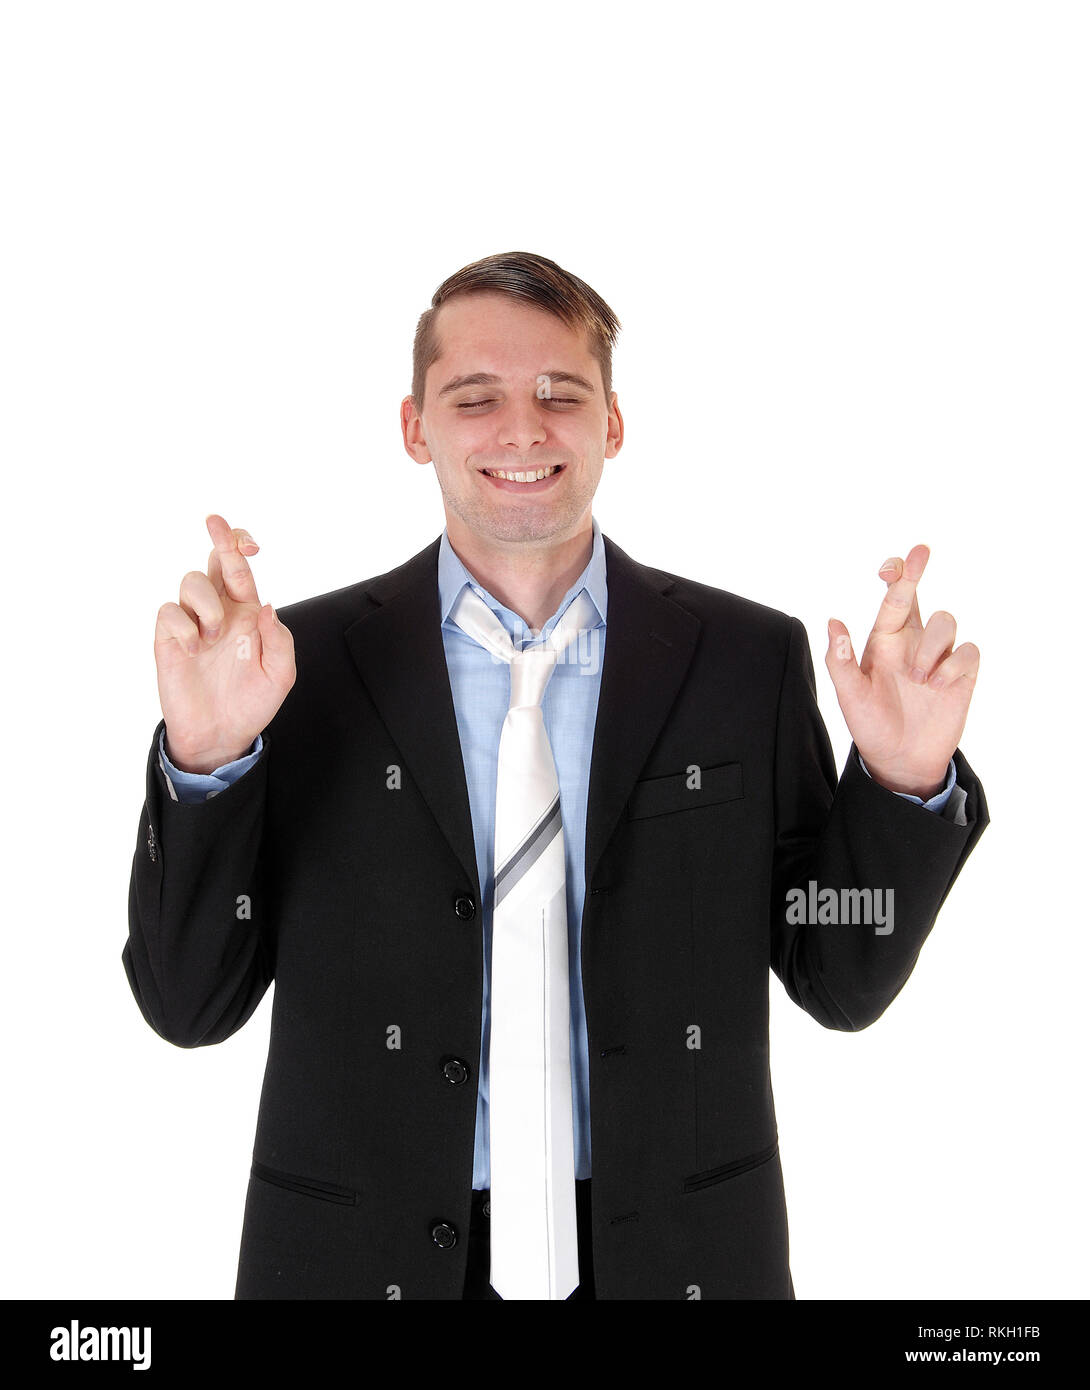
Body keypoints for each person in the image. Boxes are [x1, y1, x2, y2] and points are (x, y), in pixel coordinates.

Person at [124, 250, 989, 1300]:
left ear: (612, 424)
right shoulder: (288, 669)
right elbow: (187, 1001)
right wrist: (207, 761)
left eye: (558, 393)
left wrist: (901, 782)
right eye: (474, 397)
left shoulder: (741, 658)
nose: (521, 428)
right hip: (361, 1263)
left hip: (675, 1260)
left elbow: (838, 972)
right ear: (414, 427)